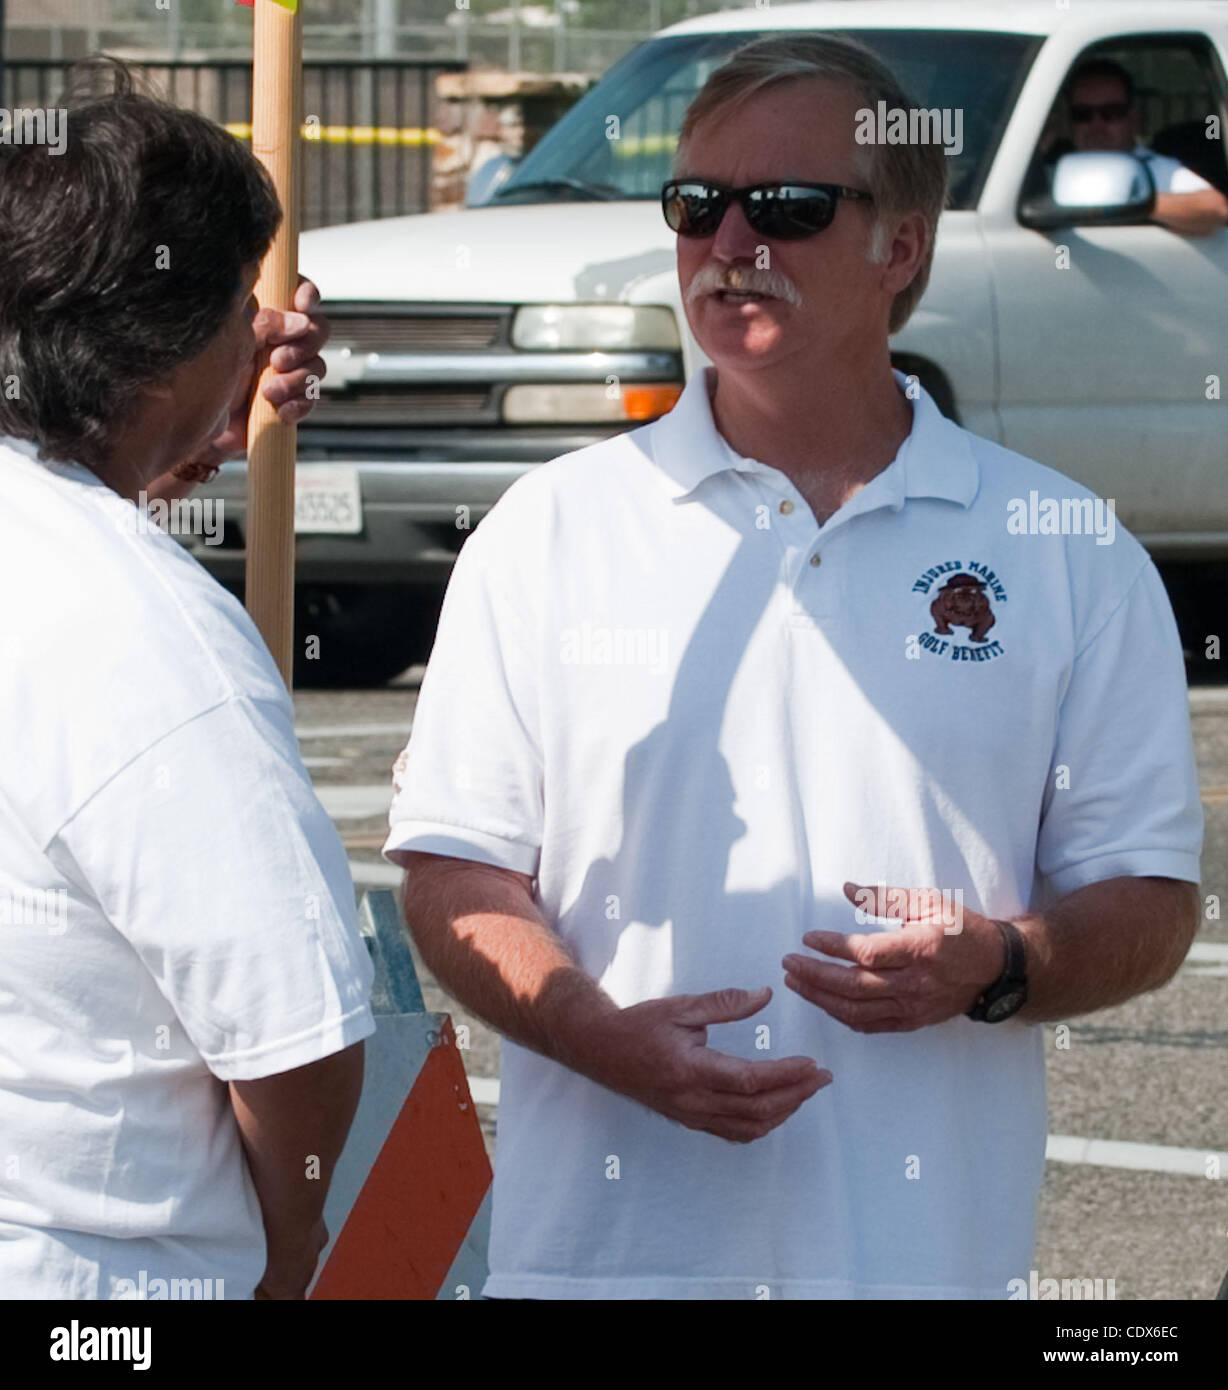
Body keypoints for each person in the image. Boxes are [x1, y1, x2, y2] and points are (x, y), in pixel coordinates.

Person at [384, 34, 1203, 1299]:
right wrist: (597, 1038)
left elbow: (1148, 903)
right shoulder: (546, 531)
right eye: (695, 204)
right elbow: (454, 868)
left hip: (922, 1272)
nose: (730, 244)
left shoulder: (1064, 552)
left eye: (789, 208)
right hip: (604, 1272)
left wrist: (1000, 964)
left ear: (904, 248)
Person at [0, 66, 375, 1300]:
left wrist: (185, 425)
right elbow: (295, 1040)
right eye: (238, 310)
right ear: (177, 339)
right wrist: (292, 1248)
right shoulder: (151, 636)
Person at [1065, 57, 1228, 236]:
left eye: (1111, 113)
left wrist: (1136, 201)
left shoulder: (1154, 168)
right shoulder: (1047, 171)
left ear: (1133, 118)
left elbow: (1216, 209)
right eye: (1082, 114)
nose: (1096, 125)